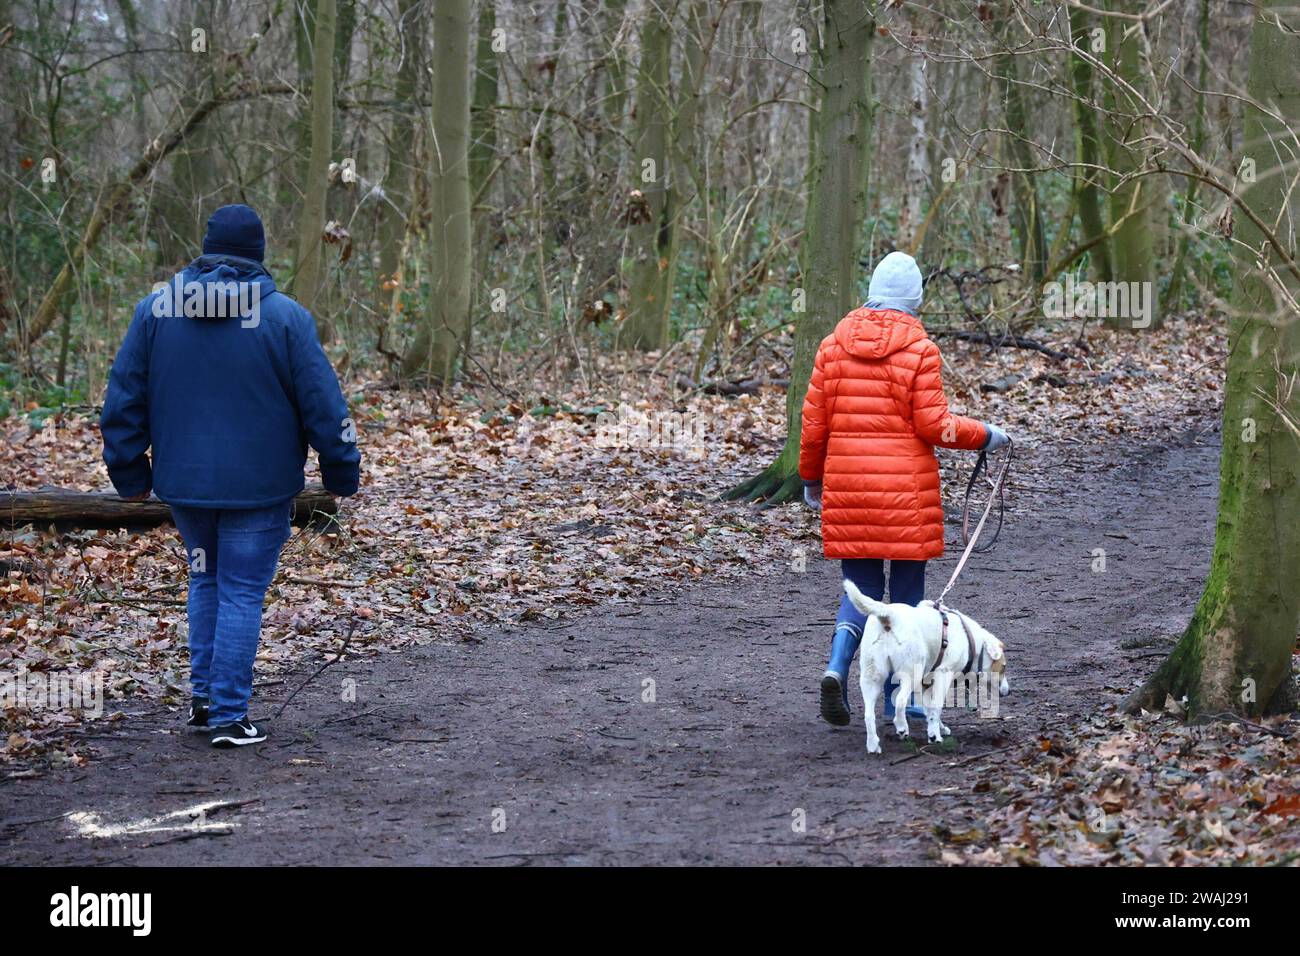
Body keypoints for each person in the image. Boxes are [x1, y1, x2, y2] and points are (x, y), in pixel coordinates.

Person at [101, 204, 360, 748]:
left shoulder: (156, 312)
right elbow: (324, 405)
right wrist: (341, 469)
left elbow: (123, 398)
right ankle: (227, 715)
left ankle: (204, 701)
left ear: (206, 248)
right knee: (240, 589)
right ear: (259, 255)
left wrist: (130, 471)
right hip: (259, 488)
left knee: (206, 577)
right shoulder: (286, 318)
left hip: (186, 485)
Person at [798, 251, 1009, 728]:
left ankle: (837, 667)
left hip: (851, 490)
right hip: (906, 496)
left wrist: (812, 479)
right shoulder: (920, 351)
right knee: (909, 601)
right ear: (915, 300)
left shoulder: (832, 347)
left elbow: (813, 427)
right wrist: (987, 434)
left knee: (862, 591)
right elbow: (936, 426)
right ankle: (903, 696)